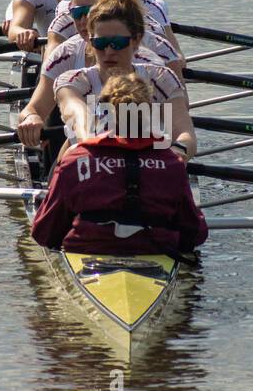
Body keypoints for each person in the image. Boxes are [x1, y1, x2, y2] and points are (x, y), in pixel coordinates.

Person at [31, 72, 207, 257]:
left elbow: (44, 232)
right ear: (148, 112)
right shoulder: (173, 164)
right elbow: (196, 232)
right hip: (155, 253)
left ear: (104, 112)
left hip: (86, 250)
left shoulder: (76, 160)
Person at [15, 0, 181, 148]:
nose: (84, 20)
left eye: (91, 11)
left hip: (146, 150)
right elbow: (34, 108)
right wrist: (31, 118)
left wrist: (180, 147)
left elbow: (179, 119)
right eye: (77, 13)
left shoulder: (152, 66)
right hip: (87, 149)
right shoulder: (65, 56)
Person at [53, 0, 197, 159]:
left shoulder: (160, 79)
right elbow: (77, 116)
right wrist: (90, 143)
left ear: (136, 41)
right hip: (87, 168)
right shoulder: (73, 82)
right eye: (100, 43)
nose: (108, 51)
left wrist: (179, 151)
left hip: (150, 168)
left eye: (118, 42)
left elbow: (185, 132)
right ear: (90, 42)